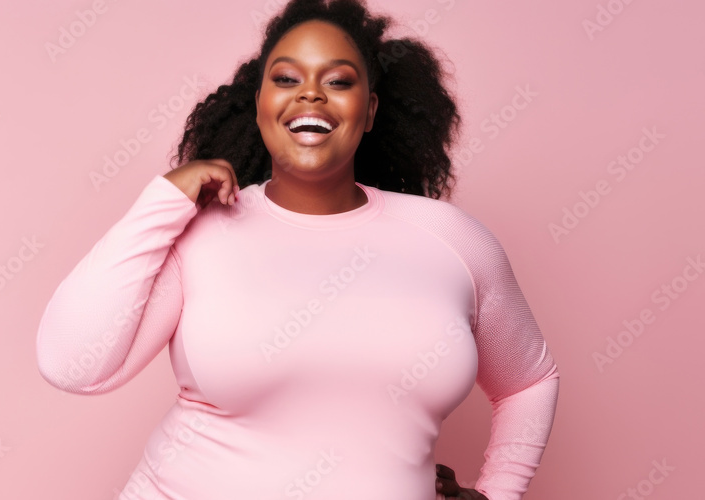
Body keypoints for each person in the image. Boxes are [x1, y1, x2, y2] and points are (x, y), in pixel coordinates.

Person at [36, 0, 560, 498]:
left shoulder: (452, 241)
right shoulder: (201, 234)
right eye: (286, 79)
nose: (310, 94)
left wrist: (496, 492)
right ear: (260, 105)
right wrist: (163, 200)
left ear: (370, 110)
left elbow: (529, 382)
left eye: (338, 81)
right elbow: (73, 365)